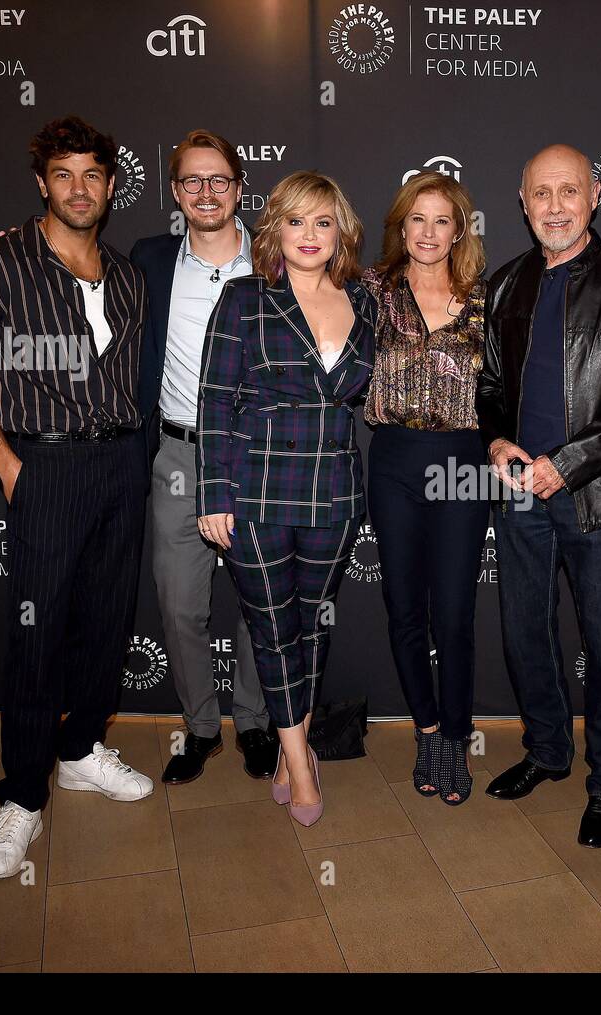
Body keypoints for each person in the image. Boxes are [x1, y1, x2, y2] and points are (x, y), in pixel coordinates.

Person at [0, 115, 153, 879]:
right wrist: (9, 467)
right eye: (63, 174)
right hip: (47, 468)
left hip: (122, 463)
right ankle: (23, 795)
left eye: (92, 175)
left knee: (106, 619)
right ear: (42, 182)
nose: (79, 188)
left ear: (109, 185)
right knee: (37, 637)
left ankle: (79, 752)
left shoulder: (128, 275)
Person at [478, 144, 601, 848]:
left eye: (569, 191)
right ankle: (548, 752)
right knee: (525, 634)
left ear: (594, 196)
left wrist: (571, 461)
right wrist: (496, 442)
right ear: (522, 204)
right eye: (541, 194)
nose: (555, 206)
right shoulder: (504, 285)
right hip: (519, 494)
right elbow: (490, 392)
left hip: (598, 497)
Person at [196, 171, 376, 828]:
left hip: (333, 492)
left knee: (313, 627)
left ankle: (289, 747)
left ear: (340, 232)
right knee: (272, 632)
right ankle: (300, 766)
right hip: (256, 492)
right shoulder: (246, 298)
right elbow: (214, 399)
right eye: (296, 221)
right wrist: (214, 491)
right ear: (275, 229)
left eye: (323, 222)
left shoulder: (365, 300)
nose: (309, 235)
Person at [130, 130, 277, 786]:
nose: (207, 192)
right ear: (175, 192)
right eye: (193, 181)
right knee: (179, 601)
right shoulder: (150, 260)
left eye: (220, 179)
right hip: (179, 454)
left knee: (257, 600)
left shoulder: (277, 260)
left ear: (241, 188)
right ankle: (198, 725)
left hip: (256, 458)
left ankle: (253, 720)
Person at [362, 172, 489, 806]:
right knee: (406, 608)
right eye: (418, 219)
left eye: (442, 220)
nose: (429, 232)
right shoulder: (370, 291)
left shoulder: (484, 298)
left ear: (459, 228)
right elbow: (299, 292)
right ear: (401, 226)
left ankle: (458, 736)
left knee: (457, 613)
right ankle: (429, 730)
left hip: (464, 462)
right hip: (395, 460)